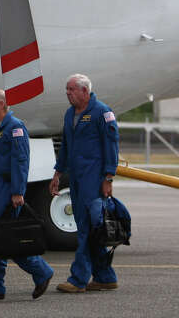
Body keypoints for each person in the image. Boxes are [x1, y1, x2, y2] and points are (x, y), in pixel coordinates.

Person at [0, 89, 53, 300]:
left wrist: (17, 192)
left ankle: (42, 272)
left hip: (8, 192)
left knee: (9, 240)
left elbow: (21, 161)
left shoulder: (15, 128)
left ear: (1, 104)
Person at [50, 73, 120, 293]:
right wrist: (57, 174)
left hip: (94, 179)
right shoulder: (70, 114)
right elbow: (66, 147)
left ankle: (78, 279)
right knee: (88, 228)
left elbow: (112, 147)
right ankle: (105, 277)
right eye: (66, 89)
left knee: (87, 229)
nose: (68, 93)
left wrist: (108, 178)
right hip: (77, 179)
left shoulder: (102, 113)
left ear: (84, 91)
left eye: (71, 89)